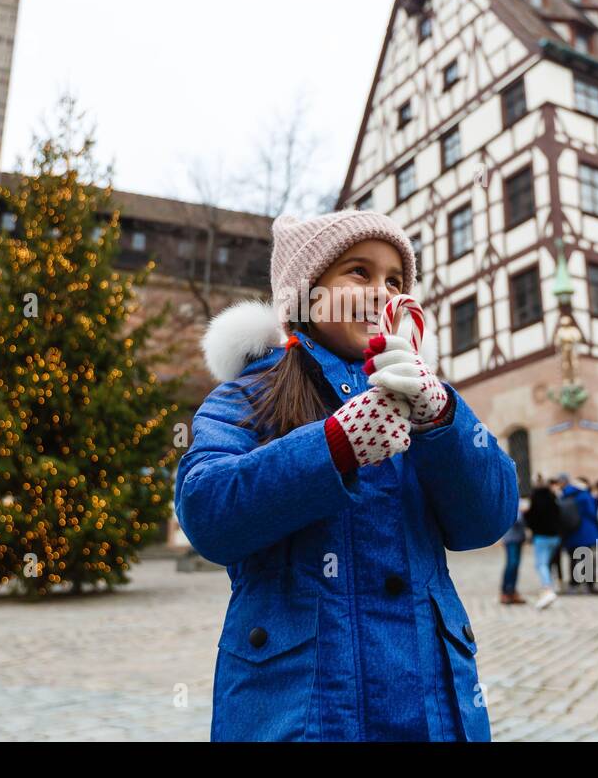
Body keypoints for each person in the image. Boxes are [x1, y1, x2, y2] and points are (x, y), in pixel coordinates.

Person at [176, 209, 519, 741]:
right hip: (301, 709)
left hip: (431, 704)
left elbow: (487, 518)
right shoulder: (249, 396)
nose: (382, 291)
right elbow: (208, 513)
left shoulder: (421, 399)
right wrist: (332, 447)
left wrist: (444, 421)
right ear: (306, 292)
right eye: (359, 272)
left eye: (395, 280)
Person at [525, 472, 563, 609]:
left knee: (541, 564)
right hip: (555, 536)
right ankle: (549, 586)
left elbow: (531, 518)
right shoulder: (553, 498)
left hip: (542, 536)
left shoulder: (536, 499)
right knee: (547, 563)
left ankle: (547, 589)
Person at [561, 476, 598, 593]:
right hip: (586, 531)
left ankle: (573, 584)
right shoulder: (585, 496)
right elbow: (592, 513)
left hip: (570, 532)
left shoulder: (565, 495)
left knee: (573, 559)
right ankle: (589, 586)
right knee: (587, 559)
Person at [500, 490, 529, 605]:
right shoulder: (508, 501)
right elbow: (514, 519)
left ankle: (512, 591)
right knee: (511, 564)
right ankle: (505, 591)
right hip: (510, 537)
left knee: (516, 565)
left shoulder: (520, 501)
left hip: (519, 537)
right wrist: (525, 512)